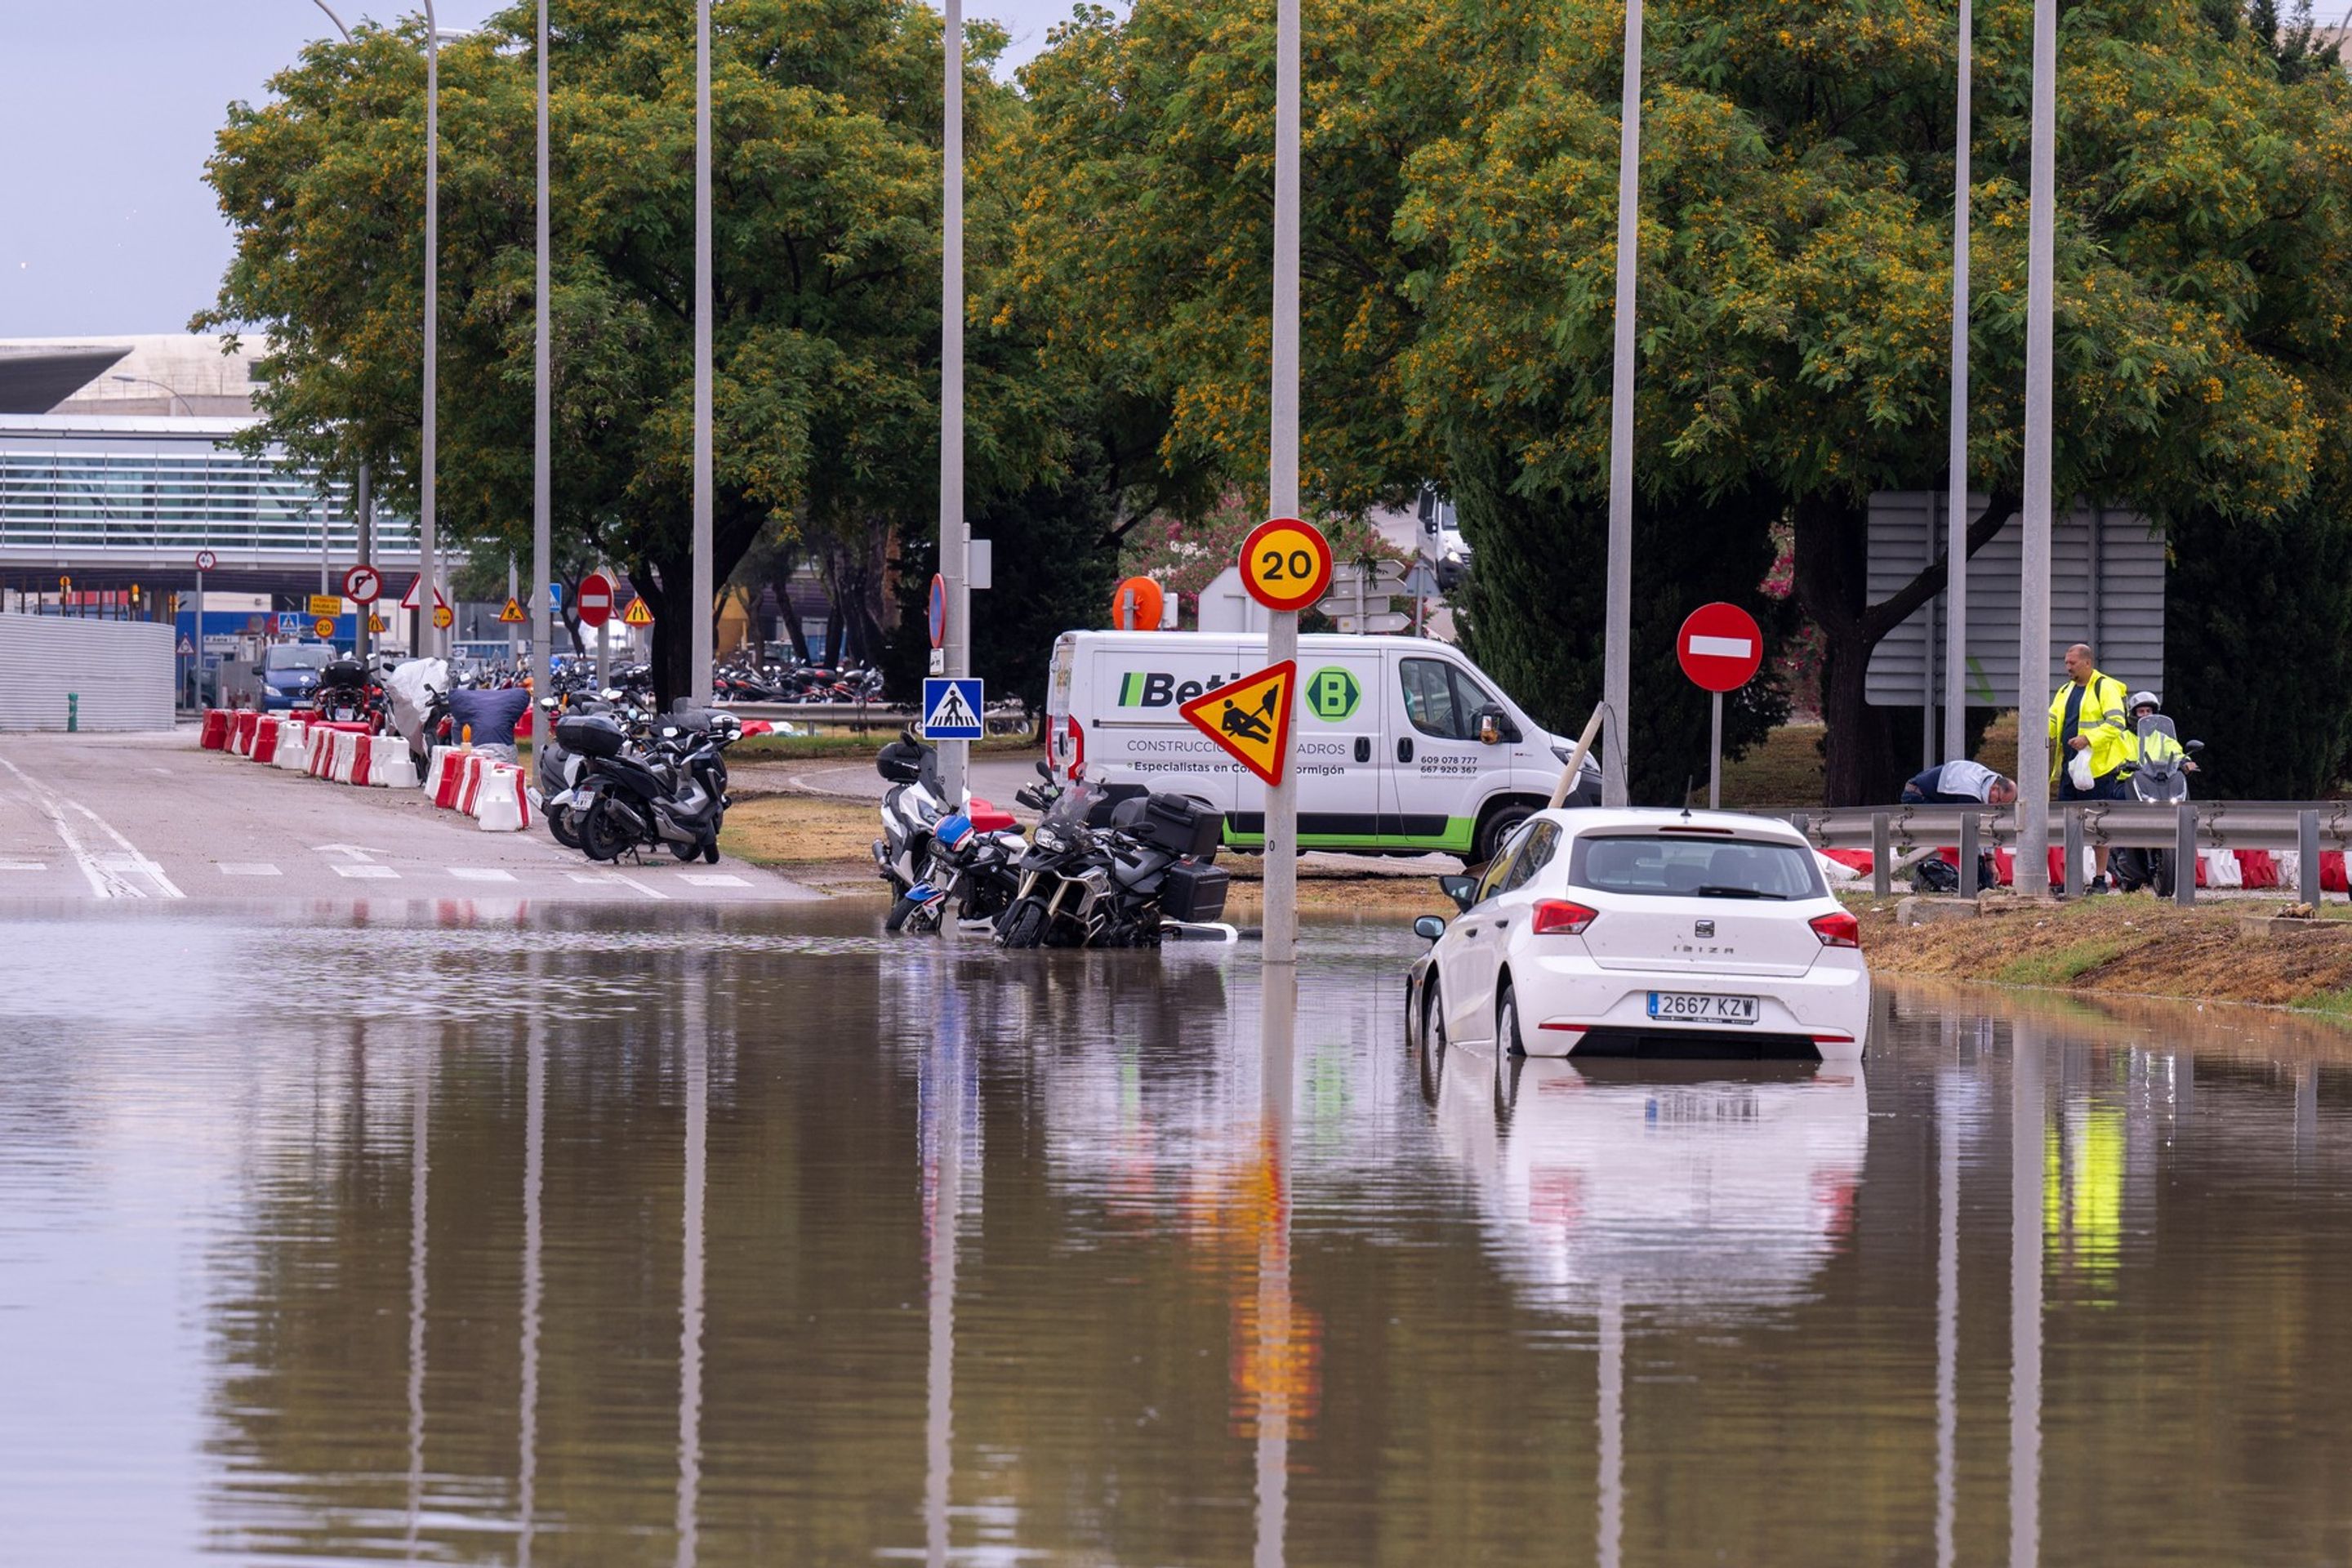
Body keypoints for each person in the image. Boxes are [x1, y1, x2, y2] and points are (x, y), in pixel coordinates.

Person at [2047, 642, 2133, 892]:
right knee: (2069, 824)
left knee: (2098, 825)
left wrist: (2089, 739)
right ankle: (2071, 879)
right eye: (2066, 663)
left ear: (2087, 662)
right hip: (2071, 768)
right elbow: (2053, 720)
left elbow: (2117, 723)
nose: (2067, 667)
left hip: (2099, 768)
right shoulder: (2065, 690)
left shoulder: (2104, 687)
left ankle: (2099, 879)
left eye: (2072, 663)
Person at [448, 684, 532, 764]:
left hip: (478, 749)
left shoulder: (462, 707)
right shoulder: (510, 700)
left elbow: (457, 742)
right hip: (503, 747)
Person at [1902, 760, 2019, 806]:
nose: (1996, 805)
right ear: (1994, 788)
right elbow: (1967, 827)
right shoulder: (1971, 793)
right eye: (1998, 800)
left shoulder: (1984, 777)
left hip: (1918, 787)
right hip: (1917, 796)